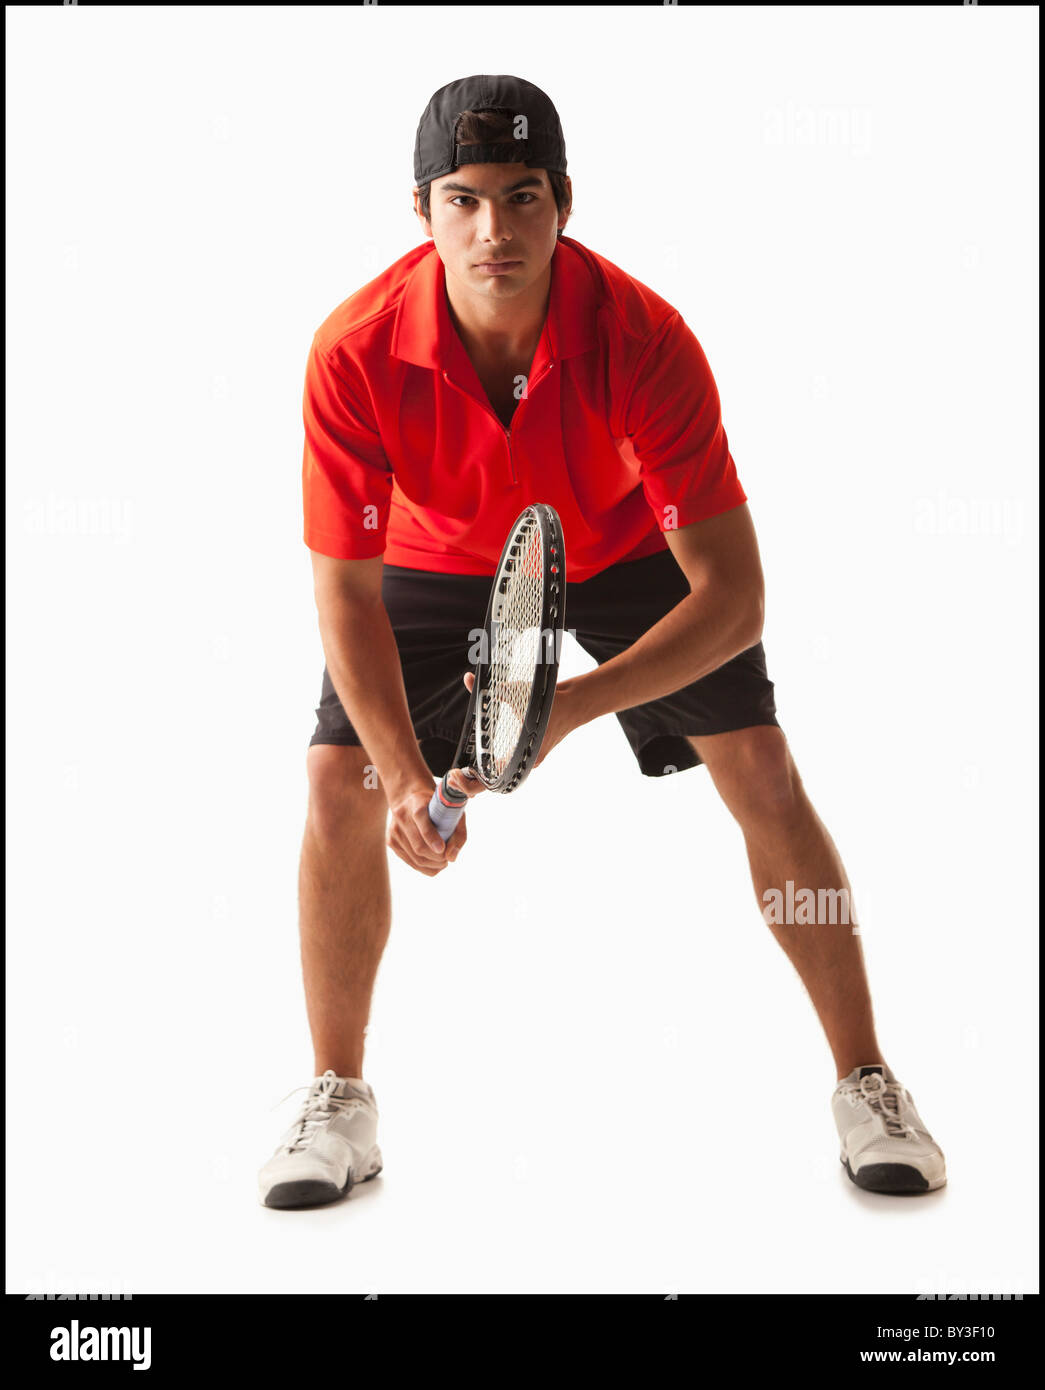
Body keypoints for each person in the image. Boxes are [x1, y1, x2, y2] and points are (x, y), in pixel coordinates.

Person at [258, 75, 946, 1210]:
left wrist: (565, 704)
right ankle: (338, 1096)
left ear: (564, 201)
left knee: (763, 770)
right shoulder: (353, 353)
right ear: (421, 211)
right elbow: (343, 595)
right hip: (437, 552)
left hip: (625, 541)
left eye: (522, 197)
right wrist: (400, 775)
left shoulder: (644, 336)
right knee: (338, 779)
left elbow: (733, 594)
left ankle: (866, 1078)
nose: (494, 231)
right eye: (463, 199)